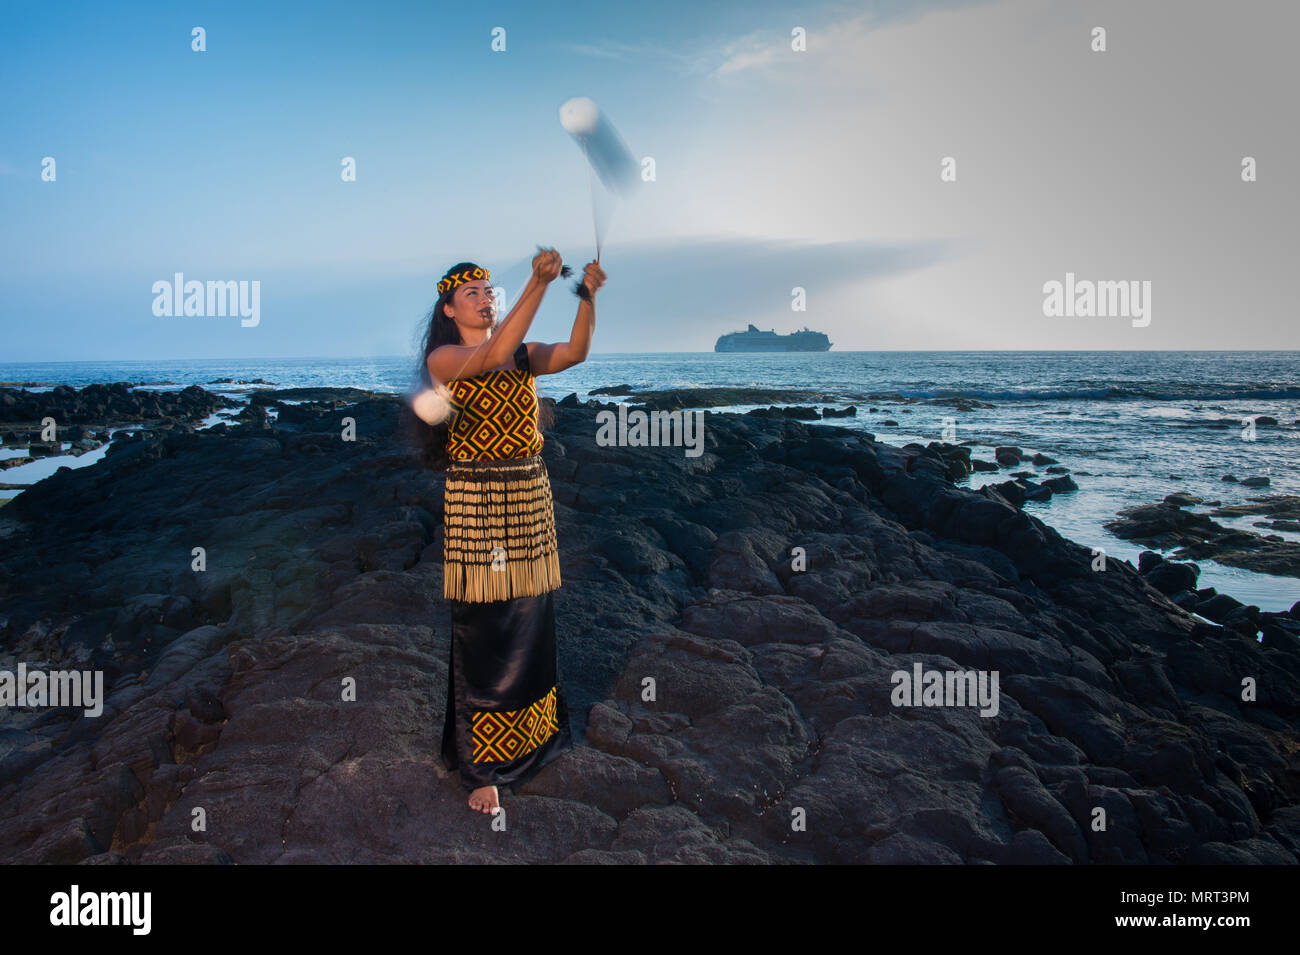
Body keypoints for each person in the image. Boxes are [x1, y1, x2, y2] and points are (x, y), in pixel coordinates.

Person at [410, 248, 605, 815]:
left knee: (530, 620)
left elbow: (574, 353)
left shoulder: (520, 354)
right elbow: (492, 355)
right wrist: (538, 283)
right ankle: (485, 764)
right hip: (478, 508)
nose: (484, 296)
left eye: (488, 289)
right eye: (471, 292)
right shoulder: (447, 359)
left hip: (529, 502)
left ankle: (535, 741)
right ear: (449, 309)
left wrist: (587, 296)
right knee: (487, 628)